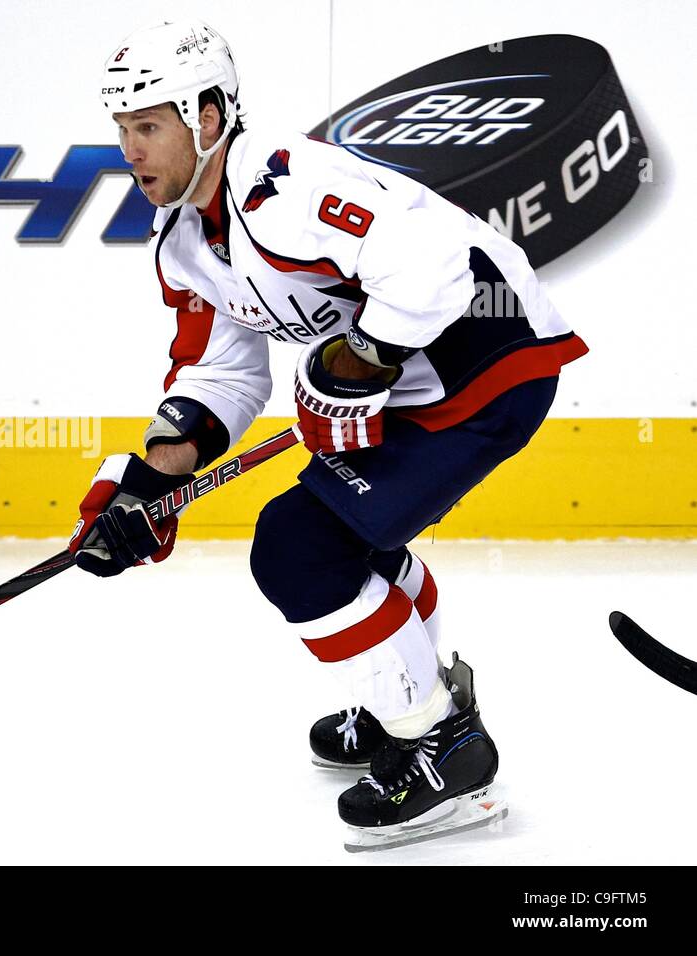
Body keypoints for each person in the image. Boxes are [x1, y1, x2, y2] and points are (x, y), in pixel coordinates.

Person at [70, 19, 587, 849]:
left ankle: (442, 751)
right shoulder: (184, 241)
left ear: (207, 118)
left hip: (484, 362)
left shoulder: (284, 182)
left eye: (148, 125)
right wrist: (146, 486)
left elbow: (431, 269)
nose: (130, 149)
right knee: (353, 546)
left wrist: (354, 364)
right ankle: (411, 704)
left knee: (299, 547)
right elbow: (222, 375)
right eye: (123, 128)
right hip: (407, 386)